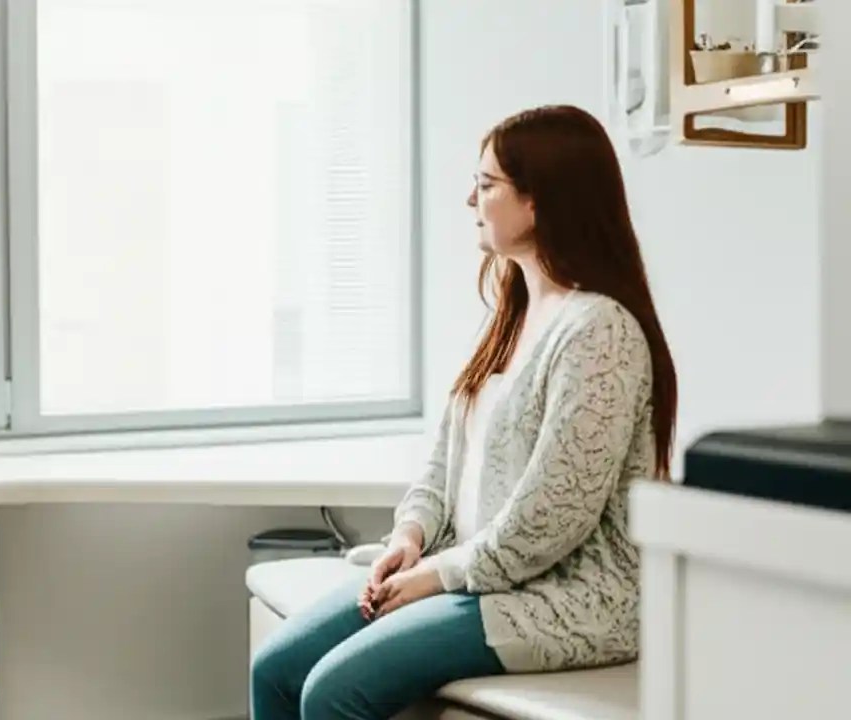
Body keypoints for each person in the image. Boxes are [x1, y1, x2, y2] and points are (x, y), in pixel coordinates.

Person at [250, 104, 678, 720]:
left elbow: (551, 521)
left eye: (485, 184)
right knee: (278, 671)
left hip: (565, 597)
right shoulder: (511, 313)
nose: (469, 198)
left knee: (333, 693)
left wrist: (432, 577)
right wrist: (410, 536)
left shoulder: (601, 333)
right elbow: (445, 461)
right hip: (478, 573)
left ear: (540, 202)